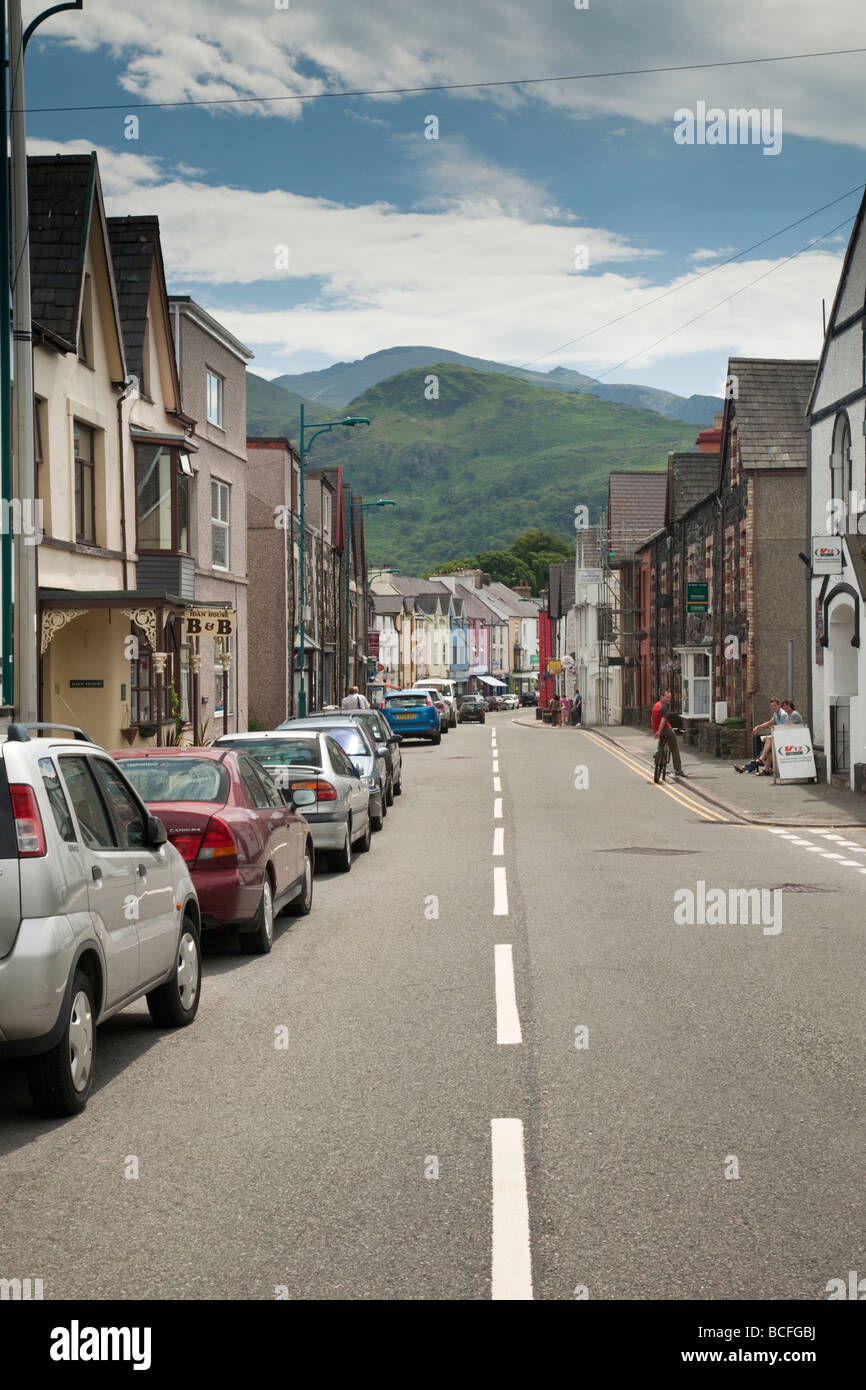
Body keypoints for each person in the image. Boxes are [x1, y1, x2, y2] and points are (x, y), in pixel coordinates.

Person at [735, 698, 786, 774]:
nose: (773, 708)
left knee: (767, 742)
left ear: (779, 705)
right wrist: (758, 727)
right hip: (779, 738)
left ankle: (748, 766)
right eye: (772, 706)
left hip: (785, 739)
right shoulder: (776, 714)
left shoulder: (783, 714)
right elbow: (770, 722)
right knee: (766, 751)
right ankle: (762, 768)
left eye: (775, 705)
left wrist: (771, 734)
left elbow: (783, 729)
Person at [651, 687, 685, 778]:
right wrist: (659, 731)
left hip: (656, 728)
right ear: (661, 697)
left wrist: (656, 730)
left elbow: (653, 719)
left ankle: (657, 758)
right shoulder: (664, 706)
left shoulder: (656, 705)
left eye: (669, 697)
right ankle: (678, 769)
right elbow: (663, 719)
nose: (668, 699)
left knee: (661, 742)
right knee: (674, 746)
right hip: (663, 729)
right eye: (667, 697)